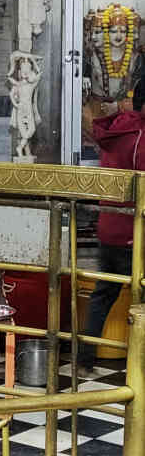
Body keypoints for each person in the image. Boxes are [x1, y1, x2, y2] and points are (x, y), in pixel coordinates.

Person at [77, 78, 145, 378]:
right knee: (138, 297)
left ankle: (85, 359)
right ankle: (138, 366)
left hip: (110, 226)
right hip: (135, 229)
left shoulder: (119, 128)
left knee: (104, 292)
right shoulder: (140, 135)